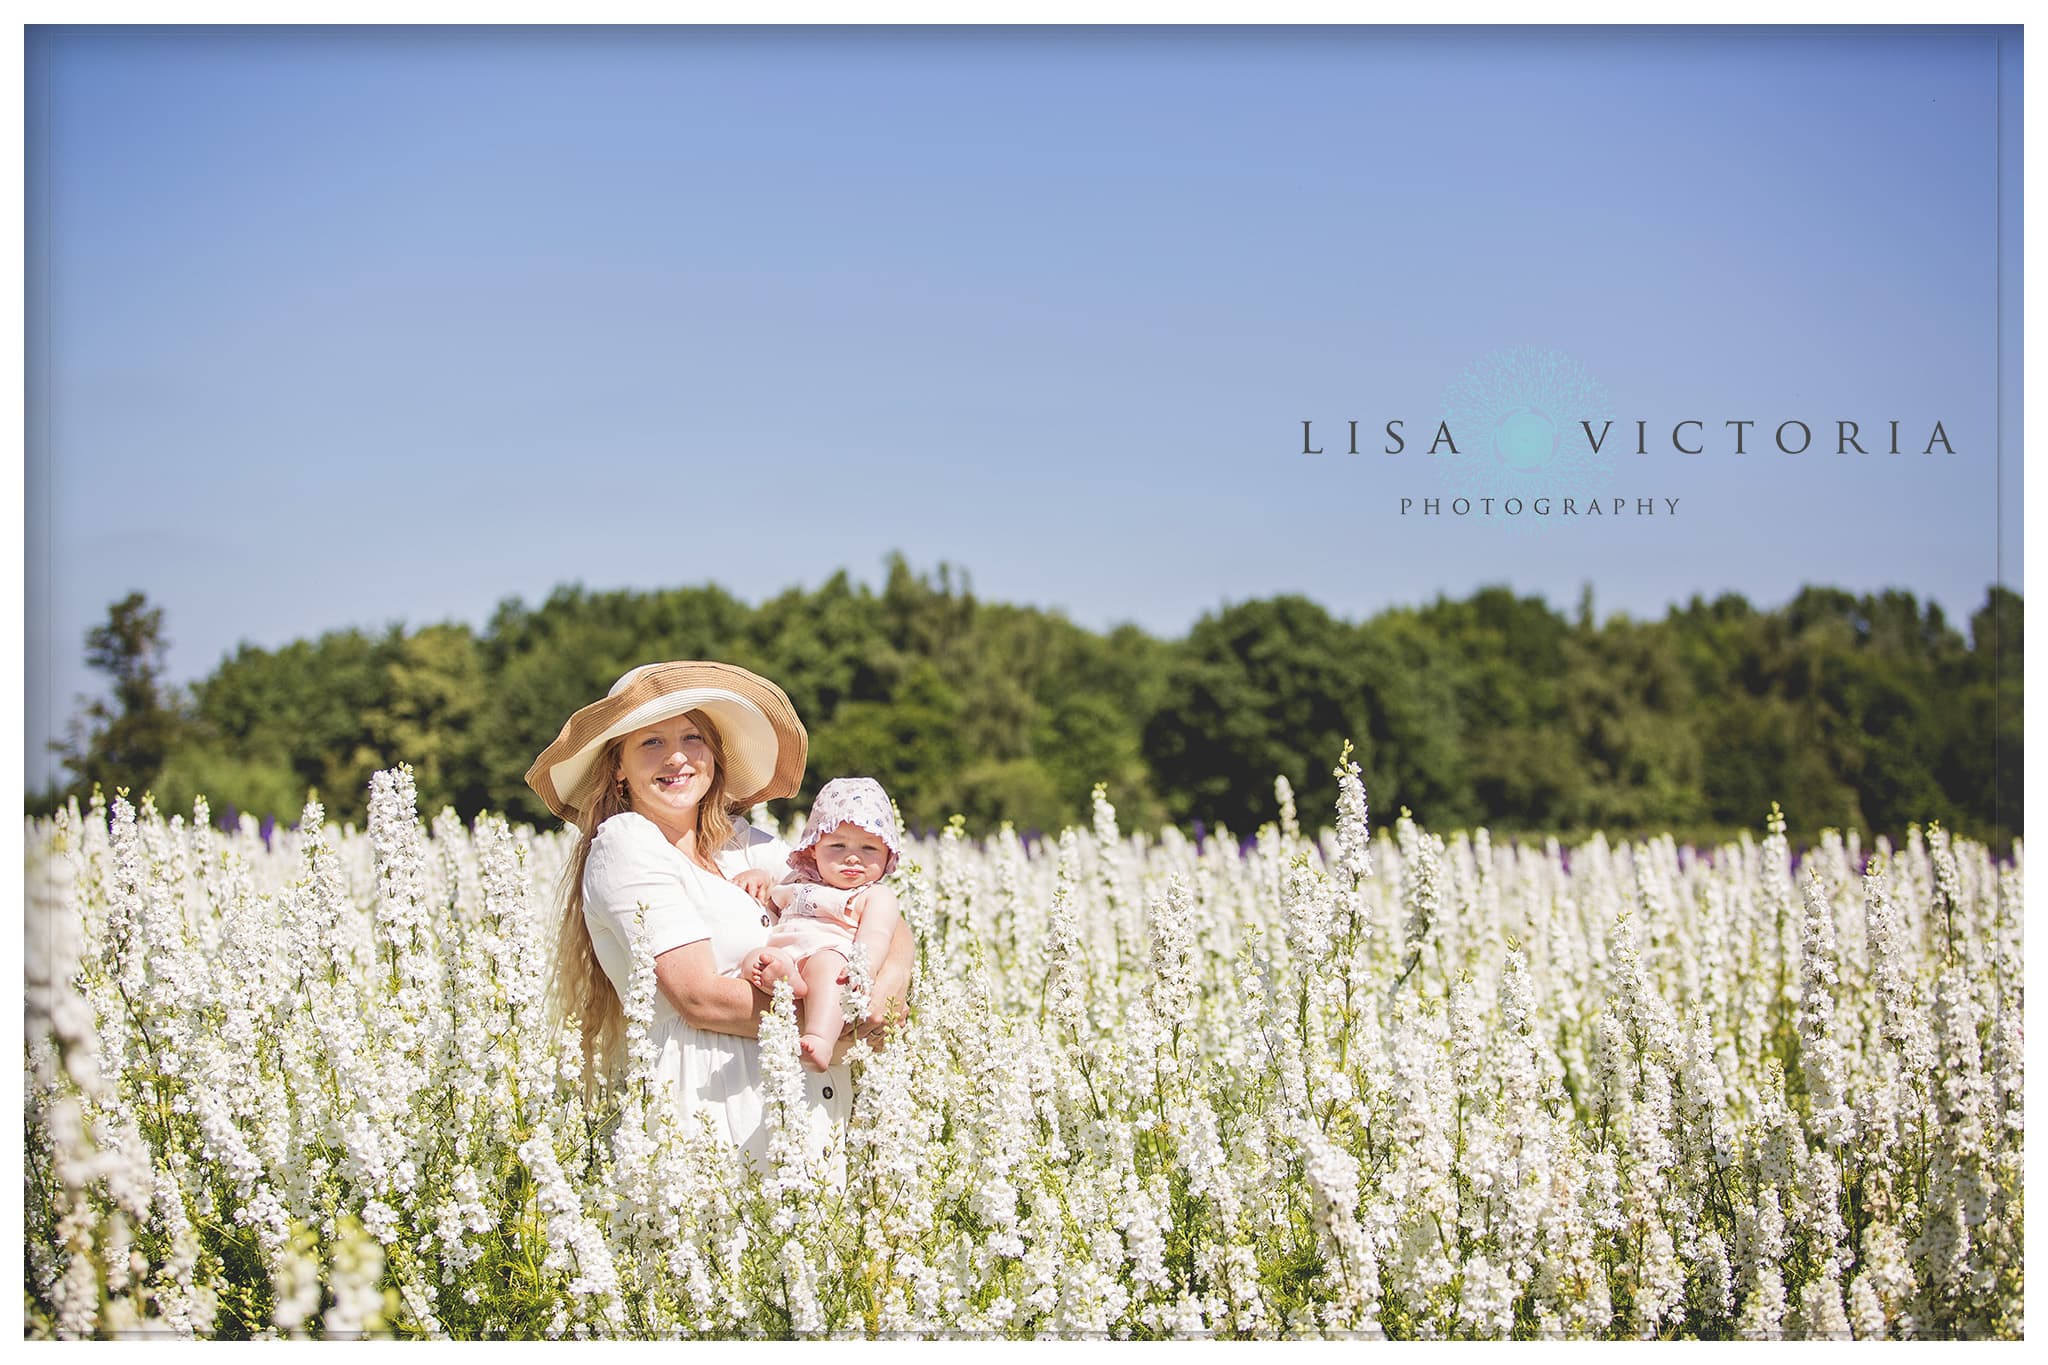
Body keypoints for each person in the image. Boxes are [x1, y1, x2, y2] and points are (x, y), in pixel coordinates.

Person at [526, 661, 913, 1167]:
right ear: (617, 765)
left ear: (712, 755)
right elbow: (698, 997)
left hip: (814, 1108)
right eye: (651, 743)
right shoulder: (627, 844)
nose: (677, 758)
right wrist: (830, 1022)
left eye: (692, 738)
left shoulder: (744, 845)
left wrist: (881, 995)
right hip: (711, 1110)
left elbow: (875, 904)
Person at [744, 777, 904, 1073]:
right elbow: (771, 897)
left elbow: (878, 934)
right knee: (755, 959)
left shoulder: (873, 895)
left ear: (887, 857)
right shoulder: (796, 880)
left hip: (830, 957)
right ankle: (786, 980)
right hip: (786, 953)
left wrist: (863, 966)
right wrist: (757, 877)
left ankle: (819, 1036)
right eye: (837, 845)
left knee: (828, 969)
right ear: (813, 848)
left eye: (869, 848)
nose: (853, 857)